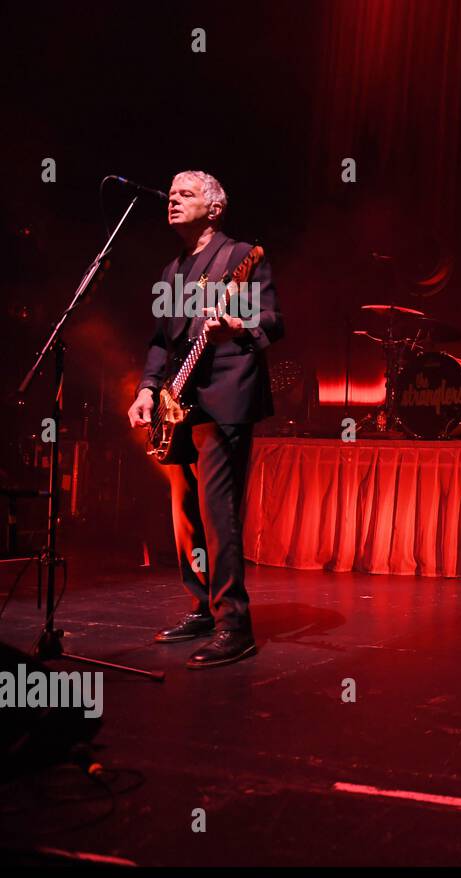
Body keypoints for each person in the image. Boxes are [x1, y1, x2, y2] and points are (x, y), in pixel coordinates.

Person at [127, 170, 283, 668]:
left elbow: (271, 321)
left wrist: (235, 325)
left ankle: (235, 624)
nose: (172, 200)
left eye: (185, 194)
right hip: (181, 400)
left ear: (214, 208)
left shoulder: (241, 257)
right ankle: (202, 606)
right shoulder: (172, 270)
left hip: (227, 396)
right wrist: (148, 389)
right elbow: (160, 341)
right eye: (170, 194)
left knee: (219, 511)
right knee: (185, 516)